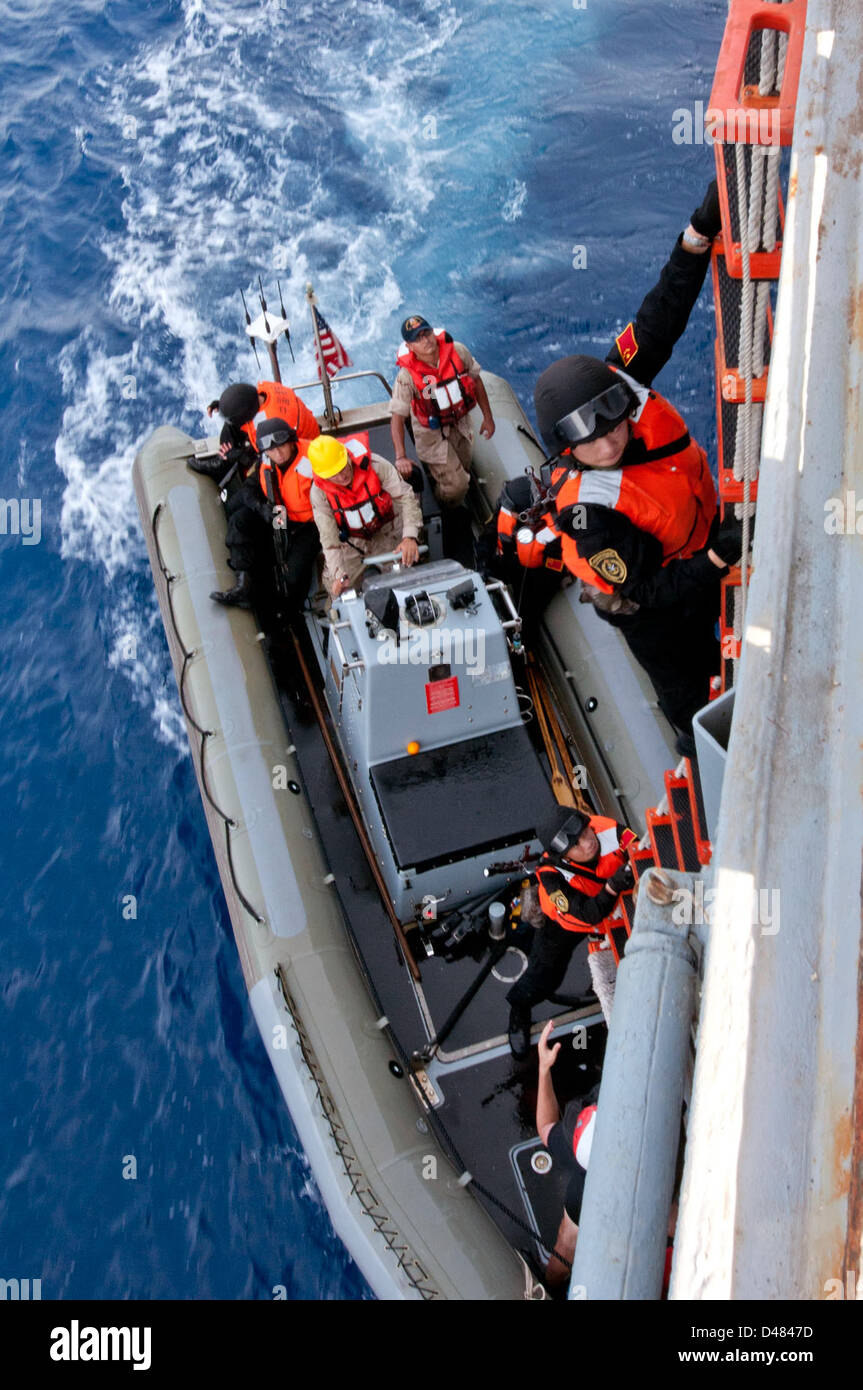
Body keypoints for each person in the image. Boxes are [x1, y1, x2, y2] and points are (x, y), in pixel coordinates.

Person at [529, 183, 744, 750]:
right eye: (589, 438)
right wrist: (721, 556)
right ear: (564, 448)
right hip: (657, 605)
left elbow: (661, 313)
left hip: (701, 541)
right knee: (688, 687)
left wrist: (697, 237)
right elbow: (646, 590)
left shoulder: (619, 379)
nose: (610, 439)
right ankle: (697, 752)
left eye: (613, 416)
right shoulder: (589, 517)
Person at [507, 809, 635, 1060]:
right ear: (564, 854)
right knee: (545, 975)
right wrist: (613, 885)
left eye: (586, 832)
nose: (588, 842)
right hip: (564, 926)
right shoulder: (552, 878)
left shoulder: (609, 829)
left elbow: (638, 846)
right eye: (576, 843)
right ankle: (520, 1006)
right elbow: (587, 914)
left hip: (612, 912)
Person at [390, 315, 496, 564]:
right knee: (458, 484)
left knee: (463, 469)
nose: (425, 340)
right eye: (417, 338)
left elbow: (477, 382)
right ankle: (448, 508)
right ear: (410, 346)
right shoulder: (407, 376)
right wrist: (401, 455)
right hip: (430, 433)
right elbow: (396, 419)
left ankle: (449, 493)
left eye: (426, 333)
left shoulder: (457, 351)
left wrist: (488, 418)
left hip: (459, 422)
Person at [308, 434, 423, 598]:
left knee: (406, 581)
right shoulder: (319, 493)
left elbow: (405, 496)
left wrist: (410, 536)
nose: (342, 477)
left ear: (347, 456)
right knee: (336, 588)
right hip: (351, 542)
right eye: (334, 474)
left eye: (342, 468)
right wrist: (338, 573)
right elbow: (329, 540)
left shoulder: (376, 465)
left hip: (386, 531)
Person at [535, 1020, 598, 1288]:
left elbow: (546, 1127)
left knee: (566, 1241)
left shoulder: (581, 1175)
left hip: (586, 1196)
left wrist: (544, 1070)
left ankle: (551, 1286)